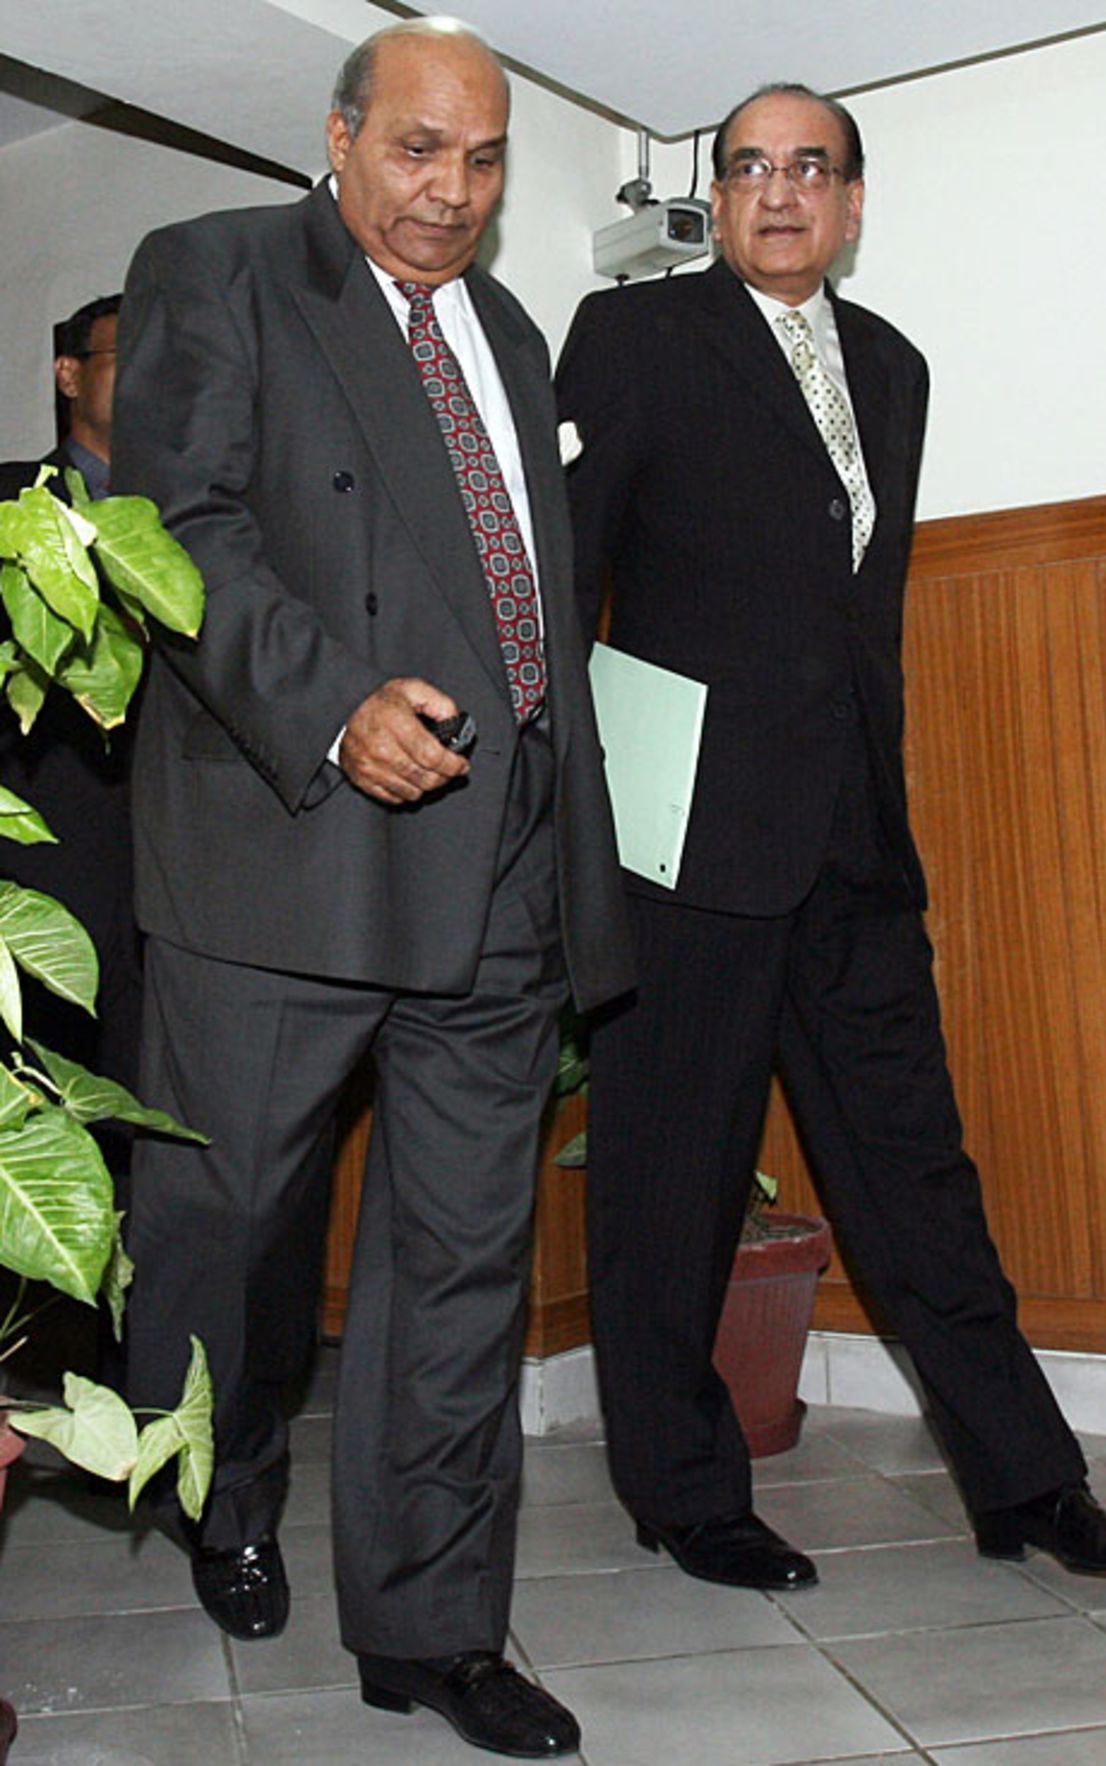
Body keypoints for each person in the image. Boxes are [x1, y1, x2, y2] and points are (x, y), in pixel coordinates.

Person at [557, 82, 1106, 1596]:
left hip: (854, 848)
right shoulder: (636, 336)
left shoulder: (894, 367)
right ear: (719, 197)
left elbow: (856, 615)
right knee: (668, 1183)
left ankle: (1030, 1482)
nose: (780, 190)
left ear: (851, 202)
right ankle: (683, 1493)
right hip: (686, 851)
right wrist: (575, 830)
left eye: (811, 167)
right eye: (749, 167)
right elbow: (566, 583)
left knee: (921, 1180)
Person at [112, 20, 631, 1759]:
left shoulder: (512, 334)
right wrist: (333, 704)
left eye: (482, 161)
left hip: (501, 857)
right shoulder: (219, 270)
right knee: (223, 1226)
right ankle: (226, 1489)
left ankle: (431, 1629)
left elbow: (523, 587)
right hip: (292, 850)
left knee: (463, 1262)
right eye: (417, 150)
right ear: (339, 139)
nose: (449, 193)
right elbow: (181, 529)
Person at [0, 294, 140, 1094]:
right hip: (47, 852)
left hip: (180, 873)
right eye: (126, 357)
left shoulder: (213, 516)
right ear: (69, 375)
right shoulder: (11, 503)